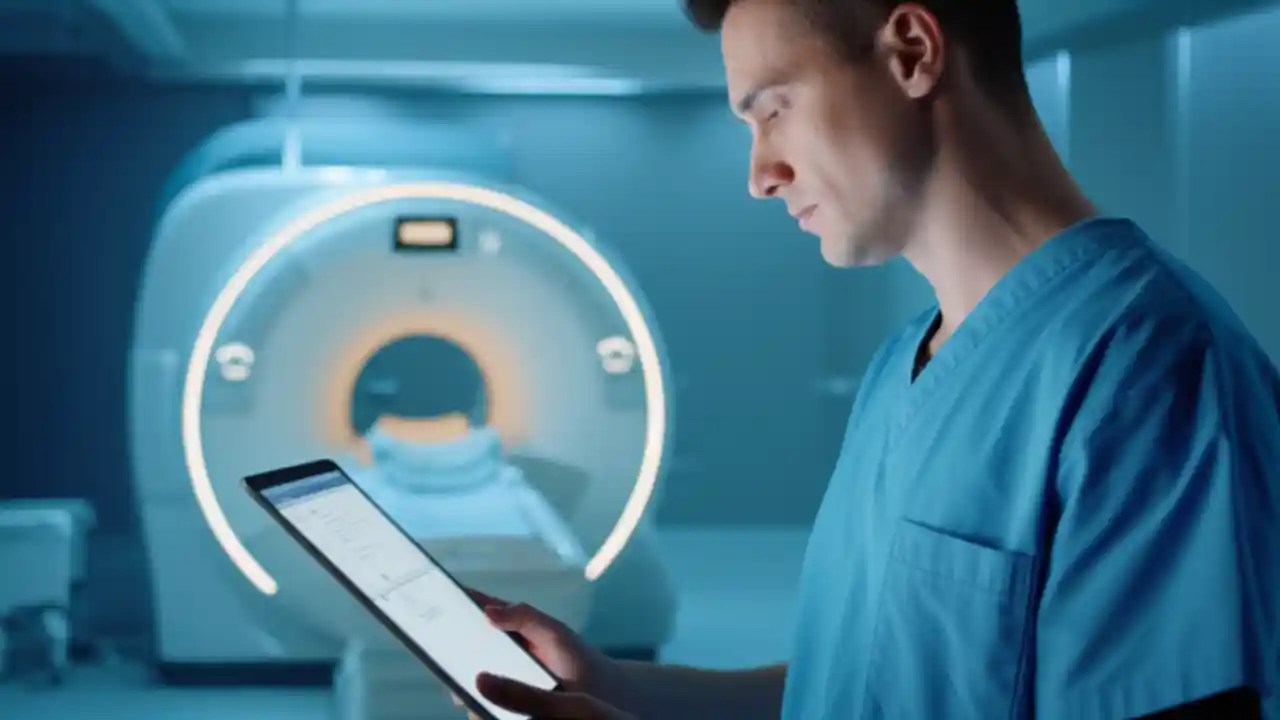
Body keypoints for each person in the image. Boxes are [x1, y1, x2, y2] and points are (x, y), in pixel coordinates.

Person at [468, 0, 1280, 718]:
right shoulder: (901, 368)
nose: (760, 175)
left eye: (774, 110)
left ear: (912, 54)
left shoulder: (1152, 372)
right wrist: (620, 689)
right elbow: (859, 684)